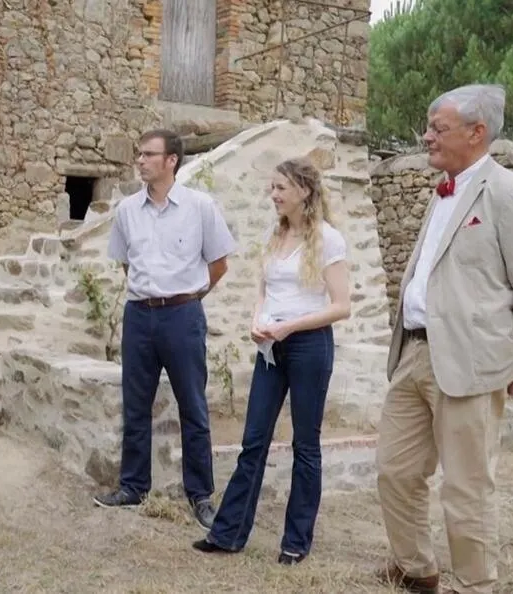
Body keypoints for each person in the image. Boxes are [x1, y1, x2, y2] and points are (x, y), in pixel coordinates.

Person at [373, 84, 513, 594]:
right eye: (429, 127)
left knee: (466, 487)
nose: (426, 136)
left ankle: (474, 585)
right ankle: (416, 569)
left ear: (478, 133)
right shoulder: (444, 190)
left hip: (471, 364)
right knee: (394, 470)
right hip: (413, 354)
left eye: (439, 128)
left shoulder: (510, 193)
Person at [192, 158, 351, 563]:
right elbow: (264, 290)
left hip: (309, 346)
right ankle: (227, 534)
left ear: (304, 191)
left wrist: (289, 327)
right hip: (270, 348)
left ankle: (295, 542)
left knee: (305, 444)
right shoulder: (274, 234)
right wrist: (256, 320)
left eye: (281, 187)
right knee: (253, 440)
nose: (273, 194)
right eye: (273, 187)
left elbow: (341, 306)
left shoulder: (328, 239)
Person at [93, 128, 237, 529]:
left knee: (193, 406)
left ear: (171, 160)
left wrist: (189, 299)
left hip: (182, 315)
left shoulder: (200, 207)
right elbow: (126, 263)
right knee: (135, 403)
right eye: (139, 154)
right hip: (139, 315)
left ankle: (200, 495)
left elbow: (219, 264)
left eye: (148, 154)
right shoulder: (127, 211)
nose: (140, 160)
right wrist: (150, 296)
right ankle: (133, 486)